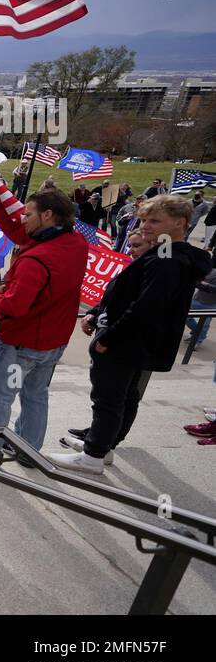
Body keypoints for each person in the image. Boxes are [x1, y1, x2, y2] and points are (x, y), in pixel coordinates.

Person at [51, 195, 212, 474]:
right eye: (144, 219)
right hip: (137, 343)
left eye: (154, 220)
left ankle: (92, 457)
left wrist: (108, 338)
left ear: (179, 223)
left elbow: (146, 307)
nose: (145, 226)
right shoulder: (170, 255)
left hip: (126, 344)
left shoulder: (168, 260)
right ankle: (103, 447)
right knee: (123, 398)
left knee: (109, 400)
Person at [0, 183, 87, 466]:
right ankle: (28, 450)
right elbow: (20, 233)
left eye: (28, 214)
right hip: (53, 341)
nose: (22, 218)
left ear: (48, 216)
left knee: (0, 398)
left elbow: (15, 305)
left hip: (21, 345)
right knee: (35, 396)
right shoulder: (75, 243)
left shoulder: (35, 258)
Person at [184, 247, 216, 348]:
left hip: (211, 305)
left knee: (205, 324)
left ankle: (198, 339)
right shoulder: (209, 270)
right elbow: (196, 281)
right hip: (197, 300)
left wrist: (205, 285)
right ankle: (197, 332)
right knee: (185, 317)